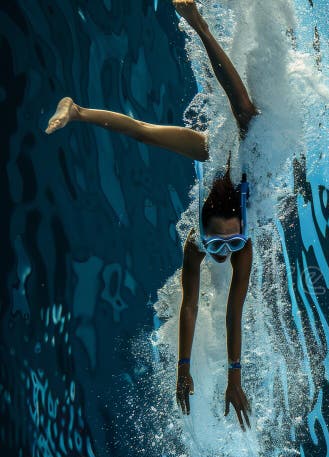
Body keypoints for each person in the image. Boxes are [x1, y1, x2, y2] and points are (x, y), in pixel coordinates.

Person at [46, 0, 254, 430]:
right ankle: (77, 109)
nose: (224, 252)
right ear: (202, 234)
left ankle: (199, 24)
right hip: (243, 150)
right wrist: (184, 366)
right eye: (219, 244)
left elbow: (233, 308)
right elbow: (192, 304)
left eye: (229, 243)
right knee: (241, 116)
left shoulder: (240, 243)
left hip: (231, 159)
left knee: (243, 115)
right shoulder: (201, 242)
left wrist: (226, 375)